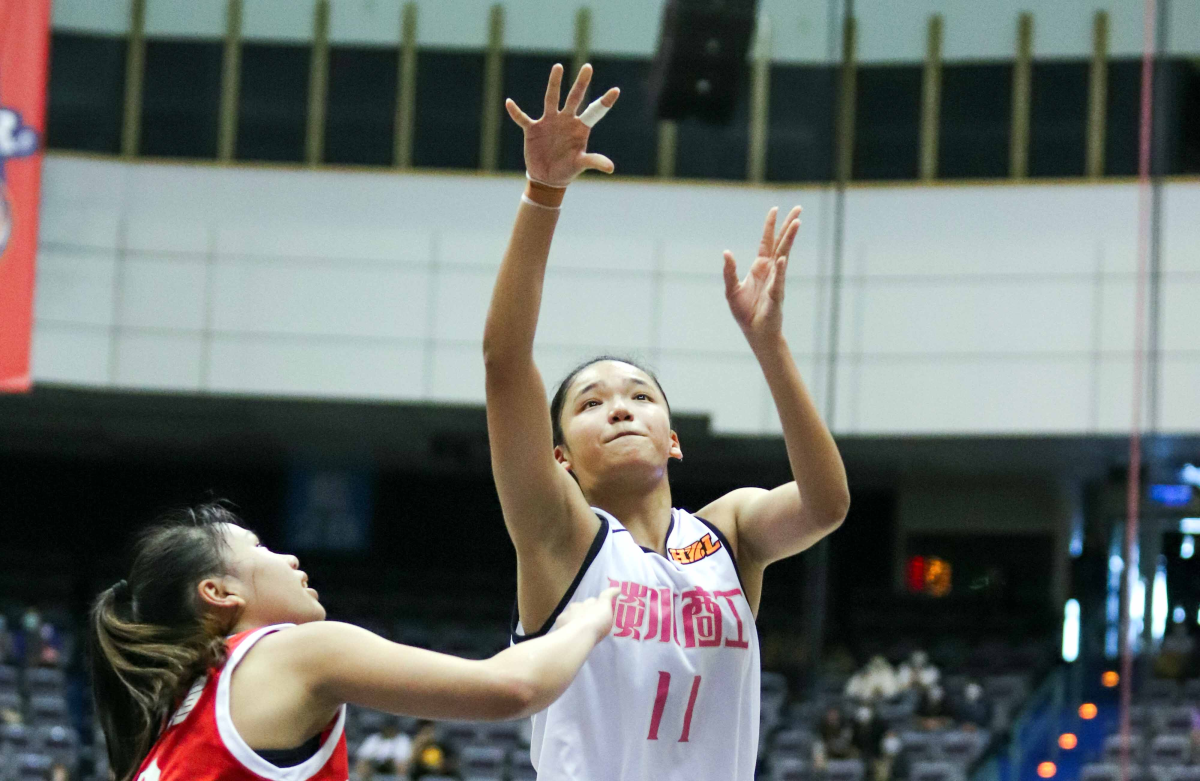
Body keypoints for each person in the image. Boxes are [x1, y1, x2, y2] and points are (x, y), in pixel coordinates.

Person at [484, 62, 851, 780]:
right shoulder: (559, 536)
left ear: (673, 440)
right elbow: (505, 361)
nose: (619, 406)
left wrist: (770, 346)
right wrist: (543, 193)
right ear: (559, 458)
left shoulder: (728, 533)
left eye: (640, 396)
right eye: (590, 403)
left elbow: (826, 504)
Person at [89, 502, 617, 781]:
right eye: (260, 548)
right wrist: (587, 622)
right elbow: (513, 688)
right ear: (219, 592)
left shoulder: (171, 715)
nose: (288, 558)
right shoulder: (297, 653)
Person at [354, 715, 413, 780]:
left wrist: (389, 761)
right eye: (387, 728)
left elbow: (404, 758)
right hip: (375, 765)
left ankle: (400, 779)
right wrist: (375, 760)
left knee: (401, 764)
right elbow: (363, 755)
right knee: (363, 762)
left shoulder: (402, 739)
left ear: (395, 728)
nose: (389, 730)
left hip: (392, 766)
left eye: (391, 728)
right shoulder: (374, 738)